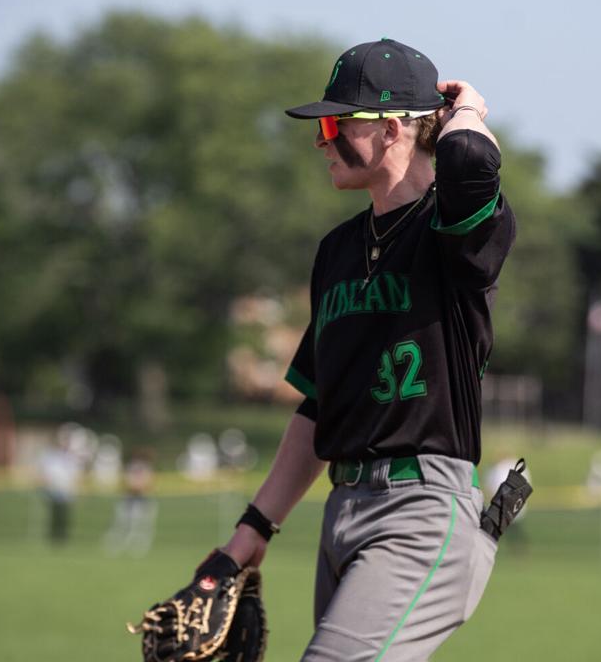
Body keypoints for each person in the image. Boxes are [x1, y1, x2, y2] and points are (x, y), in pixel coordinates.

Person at [214, 38, 516, 661]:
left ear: (393, 130)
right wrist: (249, 534)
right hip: (343, 509)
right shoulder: (338, 251)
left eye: (334, 122)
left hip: (422, 510)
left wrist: (464, 115)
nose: (321, 139)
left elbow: (468, 165)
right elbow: (318, 407)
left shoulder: (452, 235)